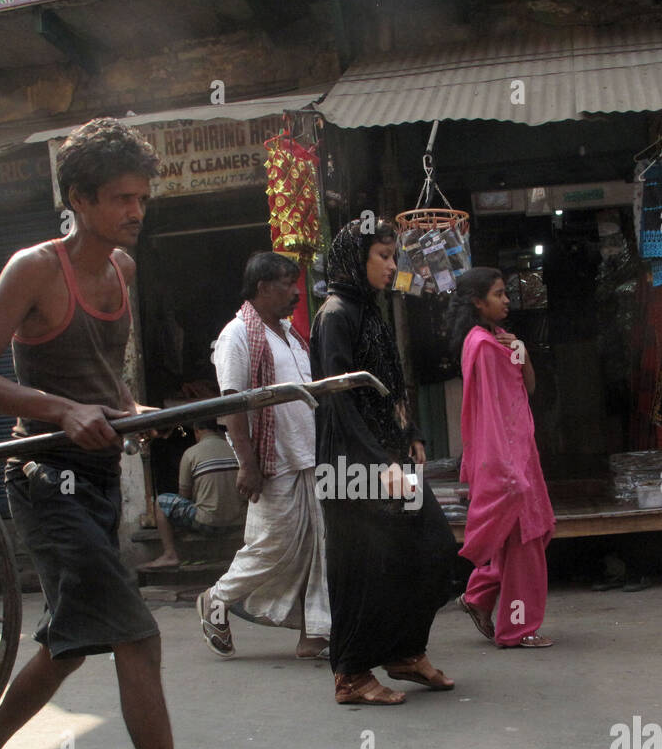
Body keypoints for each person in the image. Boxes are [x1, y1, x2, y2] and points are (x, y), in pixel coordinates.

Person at [0, 117, 251, 749]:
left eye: (142, 198)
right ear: (78, 199)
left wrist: (127, 409)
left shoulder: (123, 272)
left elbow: (103, 375)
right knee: (136, 635)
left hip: (100, 480)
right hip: (43, 480)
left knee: (73, 639)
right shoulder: (34, 268)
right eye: (119, 199)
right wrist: (59, 410)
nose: (136, 212)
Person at [309, 220, 458, 705]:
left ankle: (404, 652)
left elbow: (390, 386)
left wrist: (409, 433)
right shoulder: (334, 314)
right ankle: (351, 674)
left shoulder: (370, 311)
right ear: (358, 258)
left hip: (386, 456)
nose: (393, 266)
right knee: (363, 566)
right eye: (383, 256)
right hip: (351, 462)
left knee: (432, 548)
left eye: (394, 257)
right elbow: (336, 400)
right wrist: (376, 463)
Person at [195, 251, 330, 660]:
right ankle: (216, 599)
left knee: (317, 548)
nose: (295, 292)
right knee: (271, 545)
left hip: (308, 456)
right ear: (262, 288)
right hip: (273, 462)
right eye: (287, 284)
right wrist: (247, 463)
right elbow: (233, 402)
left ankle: (314, 635)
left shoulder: (290, 333)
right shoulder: (237, 334)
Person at [446, 267, 556, 648]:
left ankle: (478, 597)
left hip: (520, 454)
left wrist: (519, 349)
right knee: (524, 542)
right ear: (478, 301)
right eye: (498, 293)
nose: (507, 300)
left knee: (530, 535)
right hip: (506, 459)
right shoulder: (479, 345)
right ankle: (517, 628)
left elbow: (528, 386)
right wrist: (505, 470)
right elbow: (488, 413)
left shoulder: (498, 339)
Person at [147, 420, 245, 568]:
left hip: (208, 523)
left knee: (161, 502)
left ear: (197, 430)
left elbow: (184, 496)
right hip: (239, 522)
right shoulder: (235, 449)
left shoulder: (190, 453)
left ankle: (170, 554)